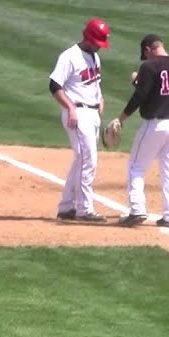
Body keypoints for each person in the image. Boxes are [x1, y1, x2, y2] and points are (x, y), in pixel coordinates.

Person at [117, 35, 169, 229]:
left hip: (156, 124)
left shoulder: (149, 67)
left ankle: (136, 210)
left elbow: (141, 95)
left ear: (147, 49)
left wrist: (121, 118)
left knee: (136, 167)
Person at [49, 18, 111, 223]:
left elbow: (94, 82)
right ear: (88, 37)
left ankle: (66, 207)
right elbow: (54, 86)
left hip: (92, 114)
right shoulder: (69, 56)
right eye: (97, 43)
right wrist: (70, 108)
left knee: (81, 160)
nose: (99, 47)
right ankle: (85, 210)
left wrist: (100, 98)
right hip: (77, 115)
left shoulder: (94, 56)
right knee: (89, 160)